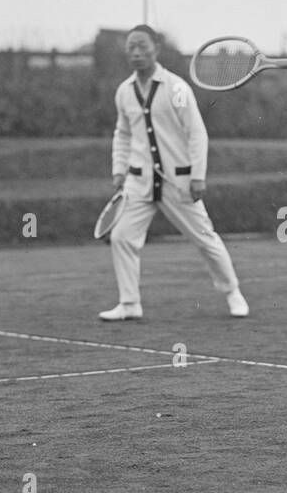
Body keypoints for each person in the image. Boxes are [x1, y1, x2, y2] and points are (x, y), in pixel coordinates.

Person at [99, 25, 249, 321]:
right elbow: (123, 134)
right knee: (121, 237)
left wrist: (198, 176)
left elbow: (196, 133)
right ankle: (129, 303)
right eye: (131, 47)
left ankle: (233, 292)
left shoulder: (177, 89)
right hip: (138, 182)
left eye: (142, 46)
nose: (136, 53)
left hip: (178, 181)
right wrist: (119, 170)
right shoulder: (124, 92)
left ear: (156, 47)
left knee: (205, 238)